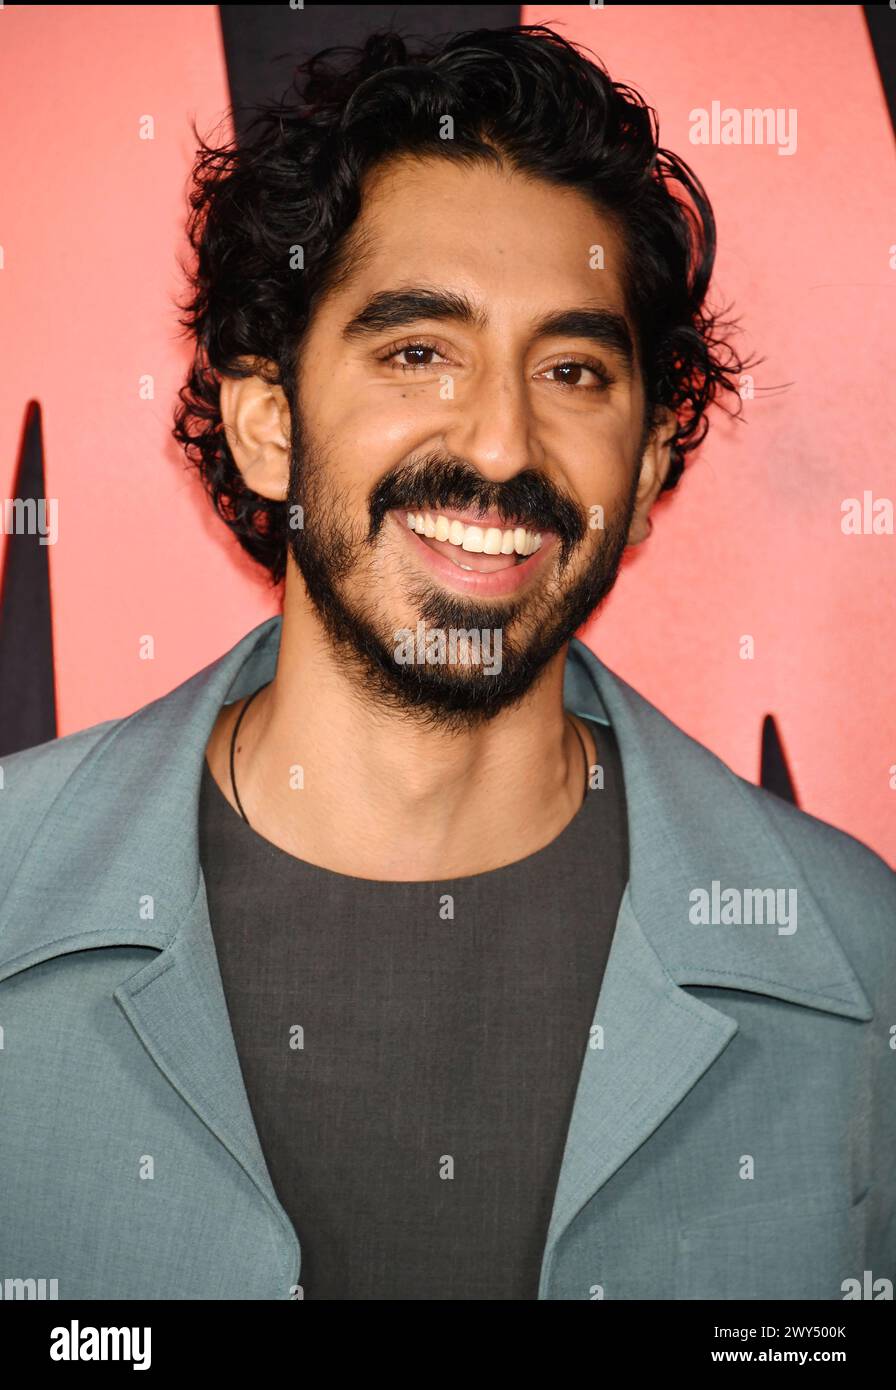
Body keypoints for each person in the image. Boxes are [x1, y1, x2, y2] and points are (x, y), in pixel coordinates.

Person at [0, 25, 892, 1302]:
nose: (497, 439)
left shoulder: (858, 965)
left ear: (642, 477)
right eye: (418, 351)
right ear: (266, 423)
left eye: (572, 370)